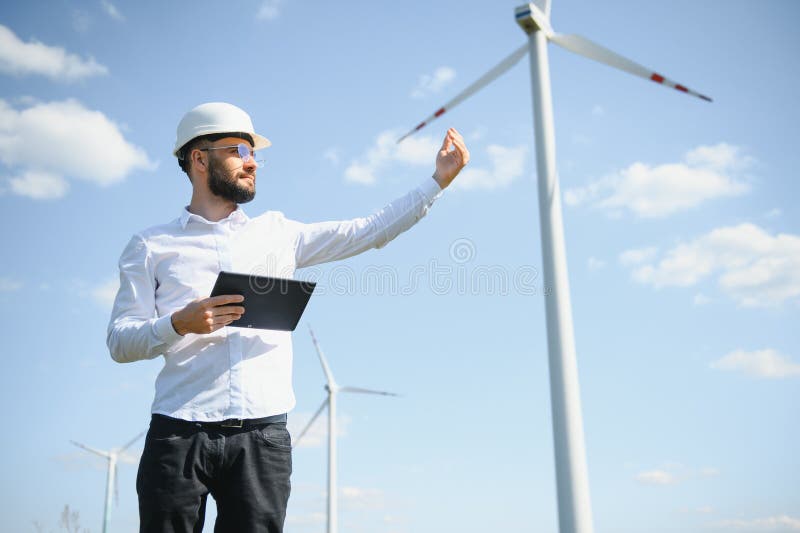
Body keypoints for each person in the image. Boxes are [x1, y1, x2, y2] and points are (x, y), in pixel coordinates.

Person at [107, 102, 469, 533]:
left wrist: (437, 183)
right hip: (177, 436)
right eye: (239, 150)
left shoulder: (278, 234)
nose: (252, 162)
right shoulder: (150, 246)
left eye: (254, 153)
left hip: (263, 439)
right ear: (199, 159)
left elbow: (368, 230)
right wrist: (178, 324)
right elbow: (120, 342)